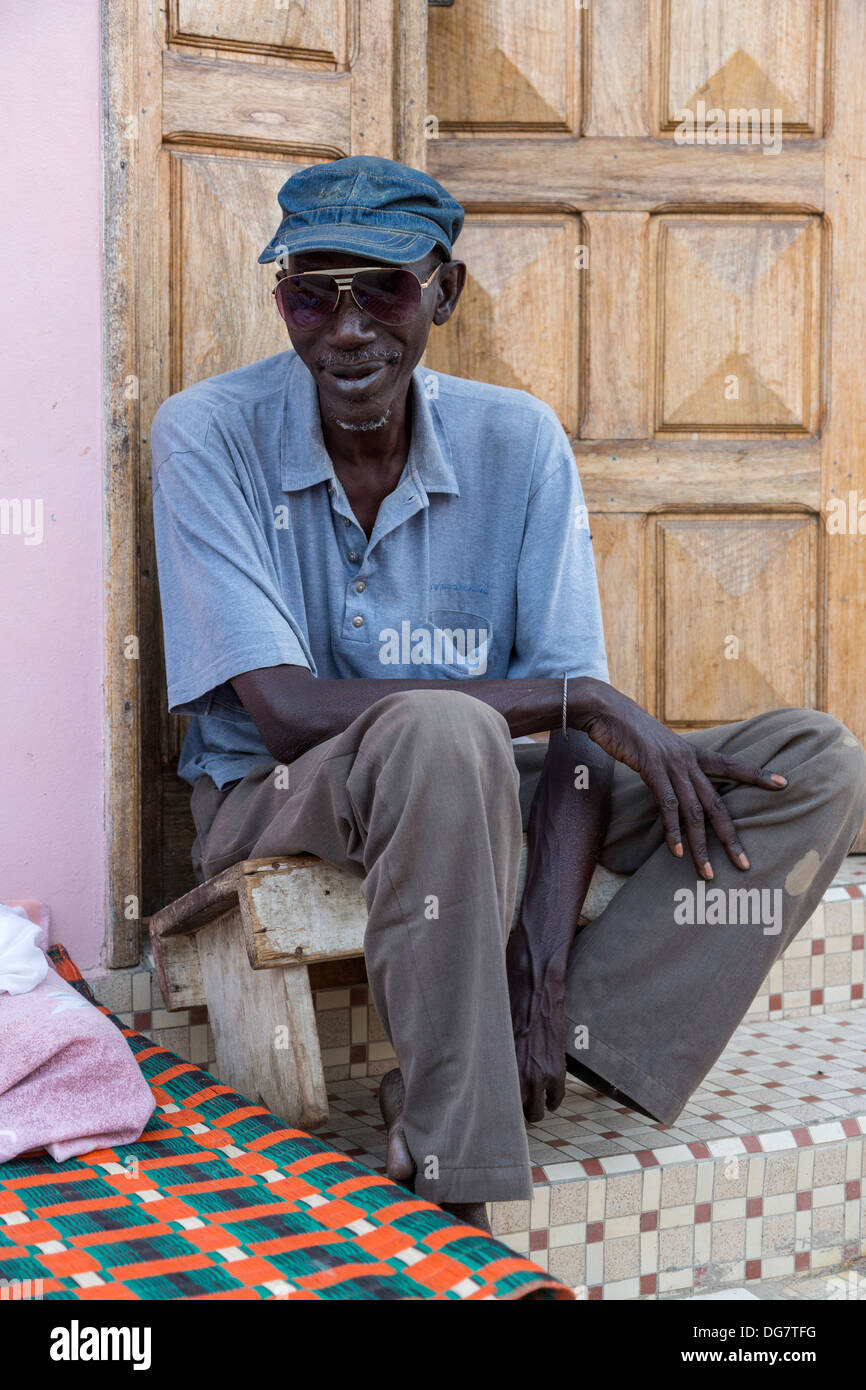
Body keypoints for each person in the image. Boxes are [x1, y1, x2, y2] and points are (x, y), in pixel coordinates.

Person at [151, 155, 866, 1233]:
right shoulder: (205, 433)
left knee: (811, 759)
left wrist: (540, 959)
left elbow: (574, 735)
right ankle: (461, 1162)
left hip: (484, 775)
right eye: (312, 292)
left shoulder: (516, 440)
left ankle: (578, 1030)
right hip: (278, 792)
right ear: (282, 301)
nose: (345, 329)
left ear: (443, 290)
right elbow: (289, 714)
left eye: (381, 288)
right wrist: (572, 694)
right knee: (446, 727)